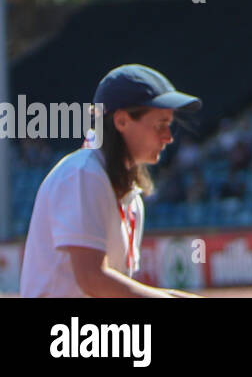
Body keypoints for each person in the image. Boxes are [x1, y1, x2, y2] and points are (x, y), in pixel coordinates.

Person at [20, 64, 202, 297]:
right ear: (122, 121)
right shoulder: (83, 174)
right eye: (160, 125)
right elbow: (92, 279)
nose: (168, 137)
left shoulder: (128, 194)